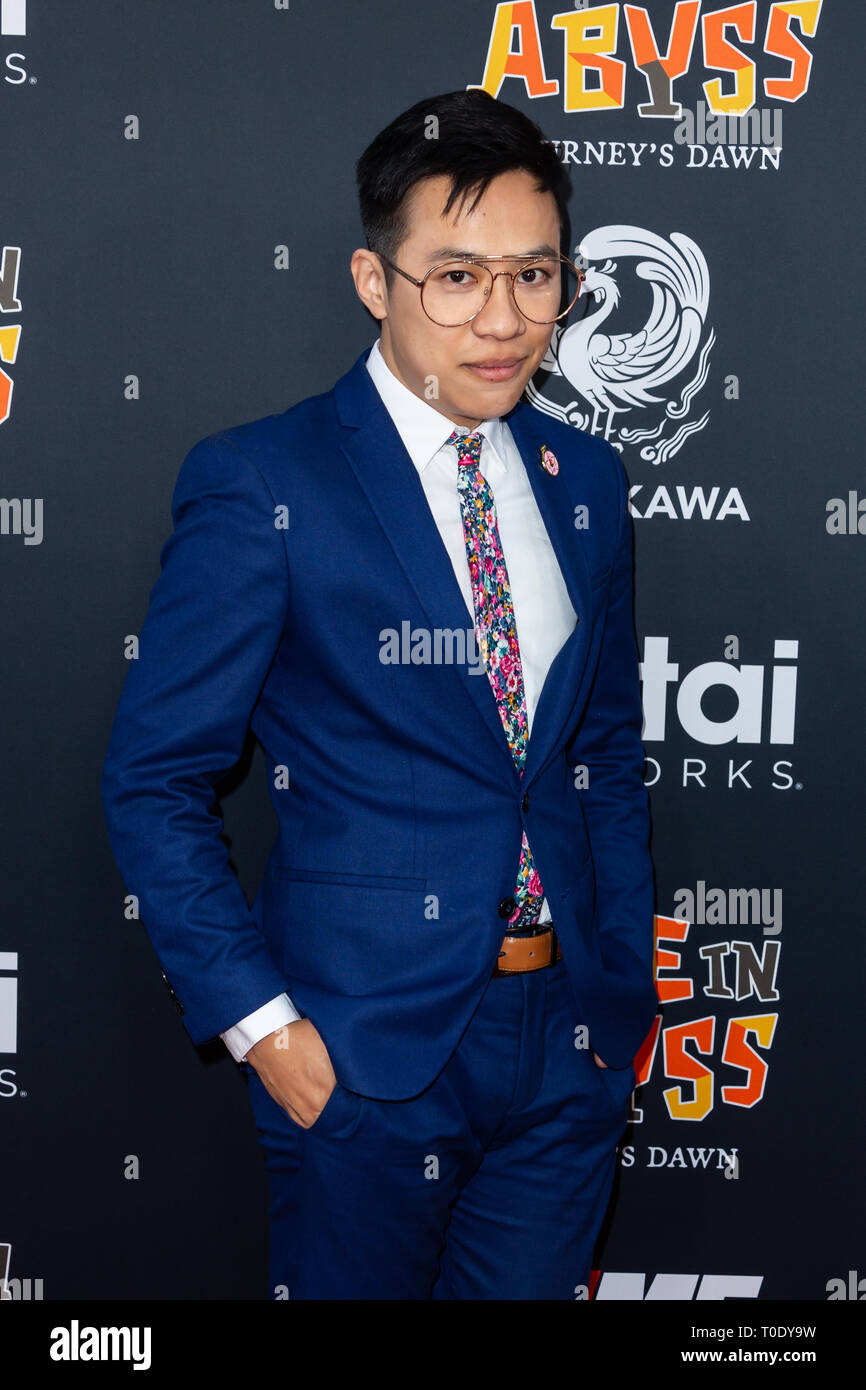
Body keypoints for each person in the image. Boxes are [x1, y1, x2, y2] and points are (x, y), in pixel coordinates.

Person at [101, 87, 658, 1301]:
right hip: (360, 1058)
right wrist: (270, 1036)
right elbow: (155, 781)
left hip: (565, 1049)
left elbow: (603, 755)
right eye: (455, 276)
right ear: (373, 281)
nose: (503, 319)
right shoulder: (263, 482)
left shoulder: (586, 481)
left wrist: (621, 991)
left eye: (535, 275)